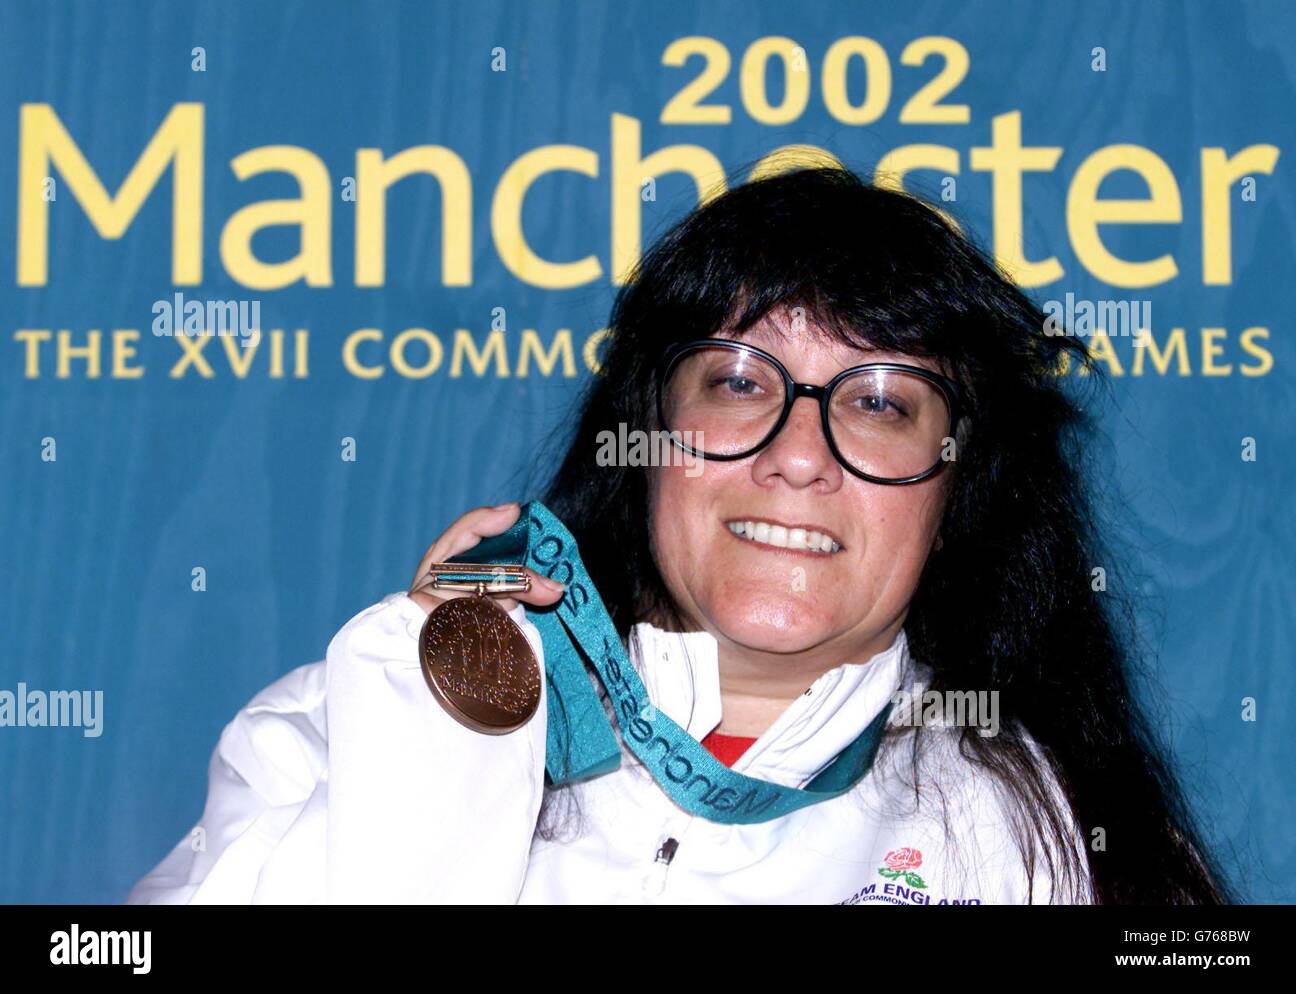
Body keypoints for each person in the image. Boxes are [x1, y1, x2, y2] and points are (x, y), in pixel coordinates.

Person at [126, 165, 1230, 905]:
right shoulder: (358, 718)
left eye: (881, 401)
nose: (799, 452)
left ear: (955, 492)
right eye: (740, 382)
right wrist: (450, 725)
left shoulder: (1061, 833)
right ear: (647, 436)